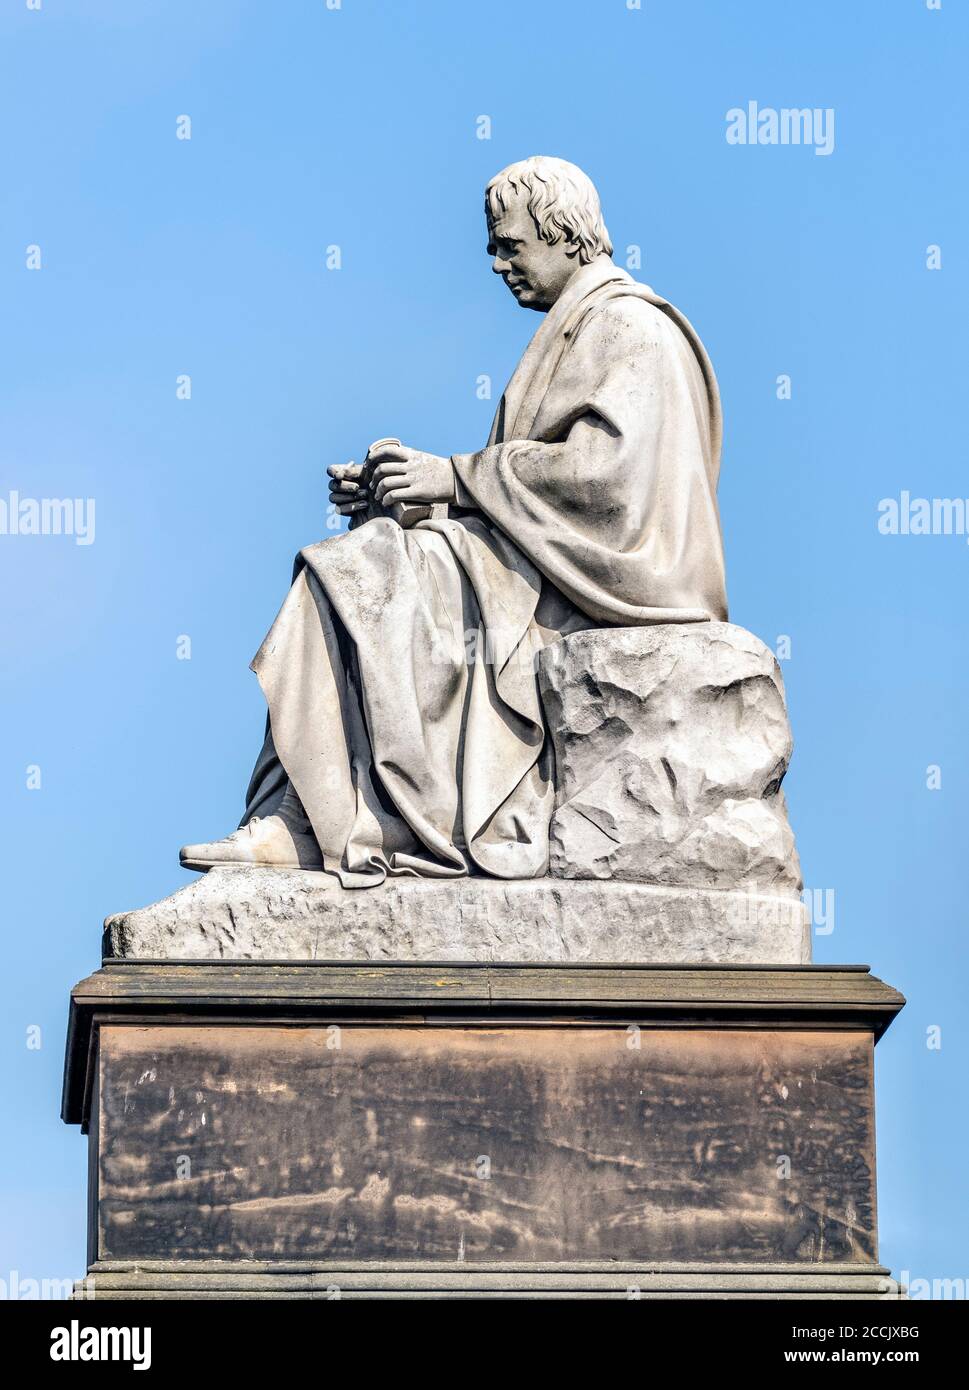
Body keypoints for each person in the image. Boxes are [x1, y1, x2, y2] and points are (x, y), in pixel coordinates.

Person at [180, 156, 727, 887]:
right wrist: (409, 497)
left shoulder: (631, 327)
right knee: (360, 563)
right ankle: (312, 810)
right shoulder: (577, 328)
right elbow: (528, 502)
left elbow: (611, 482)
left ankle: (329, 819)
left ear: (565, 235)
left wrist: (455, 477)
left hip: (611, 585)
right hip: (553, 569)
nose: (498, 264)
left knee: (357, 572)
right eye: (494, 248)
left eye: (511, 246)